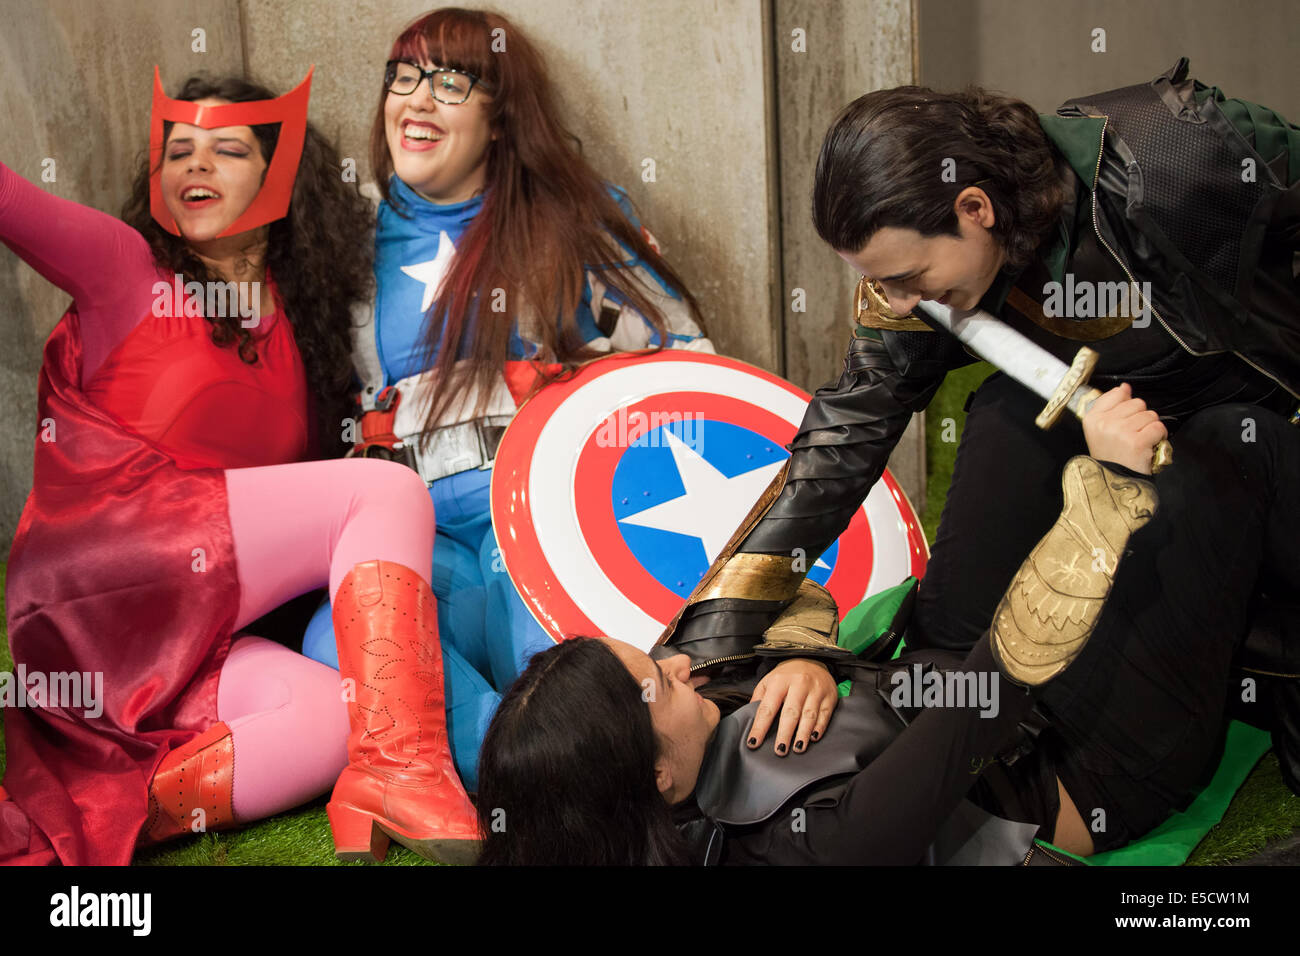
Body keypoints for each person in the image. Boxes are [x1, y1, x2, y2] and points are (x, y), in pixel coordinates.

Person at [658, 58, 1300, 792]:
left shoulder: (1177, 153)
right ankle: (946, 698)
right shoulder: (907, 285)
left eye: (906, 278)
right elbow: (840, 444)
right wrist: (702, 657)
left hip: (1261, 429)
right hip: (1123, 424)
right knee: (1004, 414)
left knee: (1217, 451)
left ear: (975, 208)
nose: (895, 304)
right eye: (878, 282)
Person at [476, 401, 1300, 864]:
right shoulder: (818, 852)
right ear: (654, 778)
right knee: (1224, 451)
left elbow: (764, 590)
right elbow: (994, 691)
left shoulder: (658, 742)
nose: (684, 665)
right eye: (657, 682)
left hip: (932, 665)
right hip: (1079, 766)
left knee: (1018, 415)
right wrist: (1106, 494)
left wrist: (806, 660)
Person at [0, 70, 477, 865]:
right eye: (178, 151)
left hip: (193, 629)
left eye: (226, 151)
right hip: (105, 578)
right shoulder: (126, 270)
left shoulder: (303, 331)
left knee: (330, 718)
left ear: (280, 176)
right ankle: (405, 765)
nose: (194, 166)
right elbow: (14, 202)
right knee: (385, 488)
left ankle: (83, 816)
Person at [300, 7, 713, 792]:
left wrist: (619, 484)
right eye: (404, 77)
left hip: (533, 522)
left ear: (500, 117)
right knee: (338, 638)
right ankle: (530, 785)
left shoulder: (570, 222)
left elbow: (690, 368)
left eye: (451, 82)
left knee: (551, 662)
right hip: (416, 535)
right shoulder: (342, 241)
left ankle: (559, 789)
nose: (416, 101)